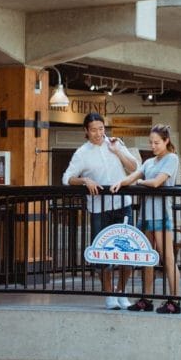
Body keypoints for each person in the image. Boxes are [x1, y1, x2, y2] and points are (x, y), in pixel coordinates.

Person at [62, 111, 139, 309]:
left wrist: (118, 151)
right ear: (86, 131)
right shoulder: (81, 153)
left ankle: (122, 291)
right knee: (103, 252)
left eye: (101, 129)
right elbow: (67, 178)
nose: (98, 133)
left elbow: (134, 168)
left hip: (123, 205)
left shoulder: (115, 143)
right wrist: (84, 180)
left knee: (127, 251)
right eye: (94, 130)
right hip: (99, 209)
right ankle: (109, 294)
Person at [112, 125, 181, 313]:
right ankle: (147, 298)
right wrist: (121, 182)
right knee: (147, 258)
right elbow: (133, 176)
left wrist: (140, 182)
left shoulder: (171, 158)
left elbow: (157, 182)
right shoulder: (149, 162)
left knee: (167, 257)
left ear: (166, 141)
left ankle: (174, 301)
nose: (153, 145)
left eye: (157, 142)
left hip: (161, 214)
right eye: (151, 142)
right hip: (146, 215)